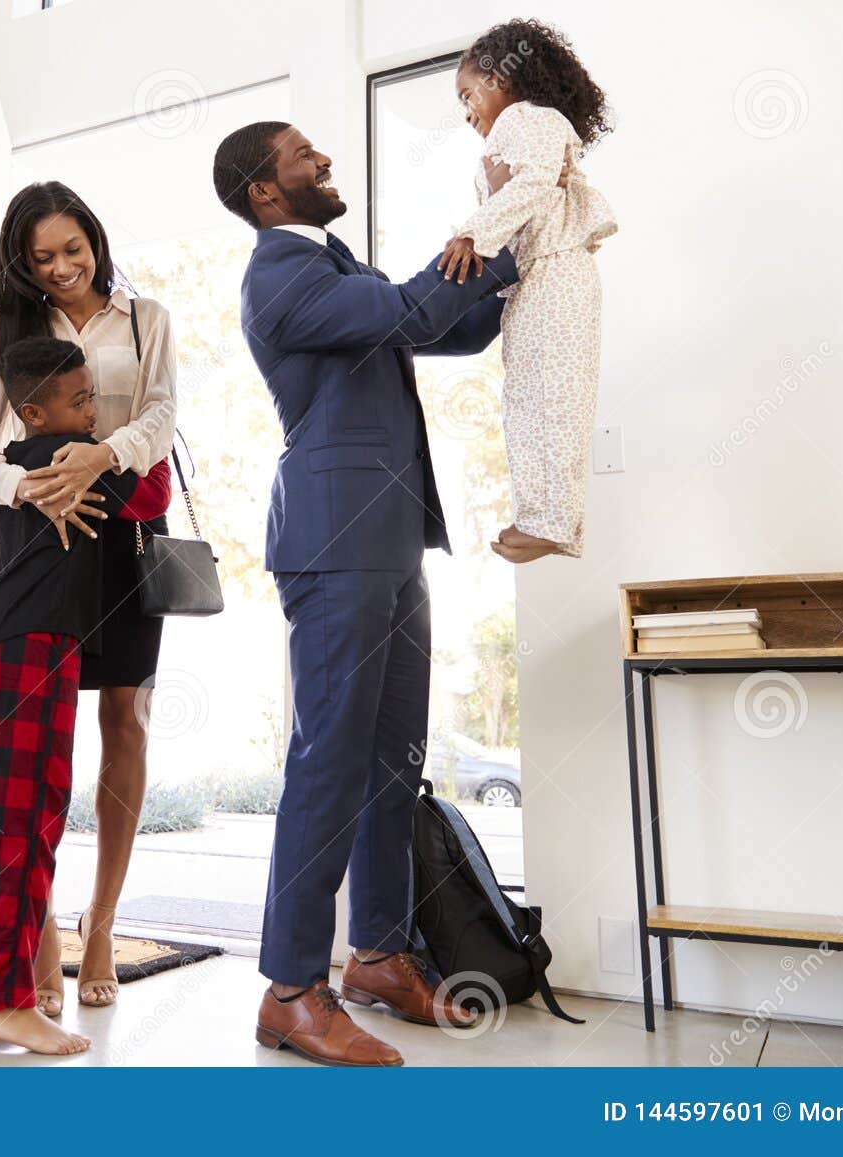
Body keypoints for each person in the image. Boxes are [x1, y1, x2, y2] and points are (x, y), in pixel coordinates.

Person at [212, 120, 515, 1066]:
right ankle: (290, 989)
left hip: (388, 541)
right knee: (330, 762)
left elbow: (448, 322)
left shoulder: (339, 271)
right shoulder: (282, 276)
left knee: (393, 759)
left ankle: (379, 954)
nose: (324, 160)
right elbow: (415, 311)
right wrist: (493, 223)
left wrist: (519, 253)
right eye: (304, 154)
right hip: (335, 543)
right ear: (266, 191)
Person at [0, 182, 178, 1010]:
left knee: (127, 719)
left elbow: (162, 413)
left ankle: (105, 925)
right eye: (41, 258)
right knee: (36, 747)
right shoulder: (11, 337)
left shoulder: (145, 318)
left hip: (125, 543)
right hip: (45, 548)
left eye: (71, 250)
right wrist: (28, 489)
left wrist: (104, 453)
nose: (60, 269)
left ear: (95, 237)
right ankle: (40, 935)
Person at [0, 338, 171, 1055]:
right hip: (38, 641)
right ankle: (6, 999)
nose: (93, 414)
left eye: (93, 399)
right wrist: (110, 446)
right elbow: (155, 489)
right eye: (80, 402)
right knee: (30, 817)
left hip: (3, 637)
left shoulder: (16, 461)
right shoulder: (71, 458)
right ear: (33, 412)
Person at [440, 18, 617, 564]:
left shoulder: (527, 117)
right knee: (529, 401)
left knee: (554, 400)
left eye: (469, 94)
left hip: (557, 272)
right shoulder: (518, 127)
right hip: (537, 277)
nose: (467, 110)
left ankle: (554, 521)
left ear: (503, 79)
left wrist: (474, 230)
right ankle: (543, 516)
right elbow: (530, 191)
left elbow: (537, 182)